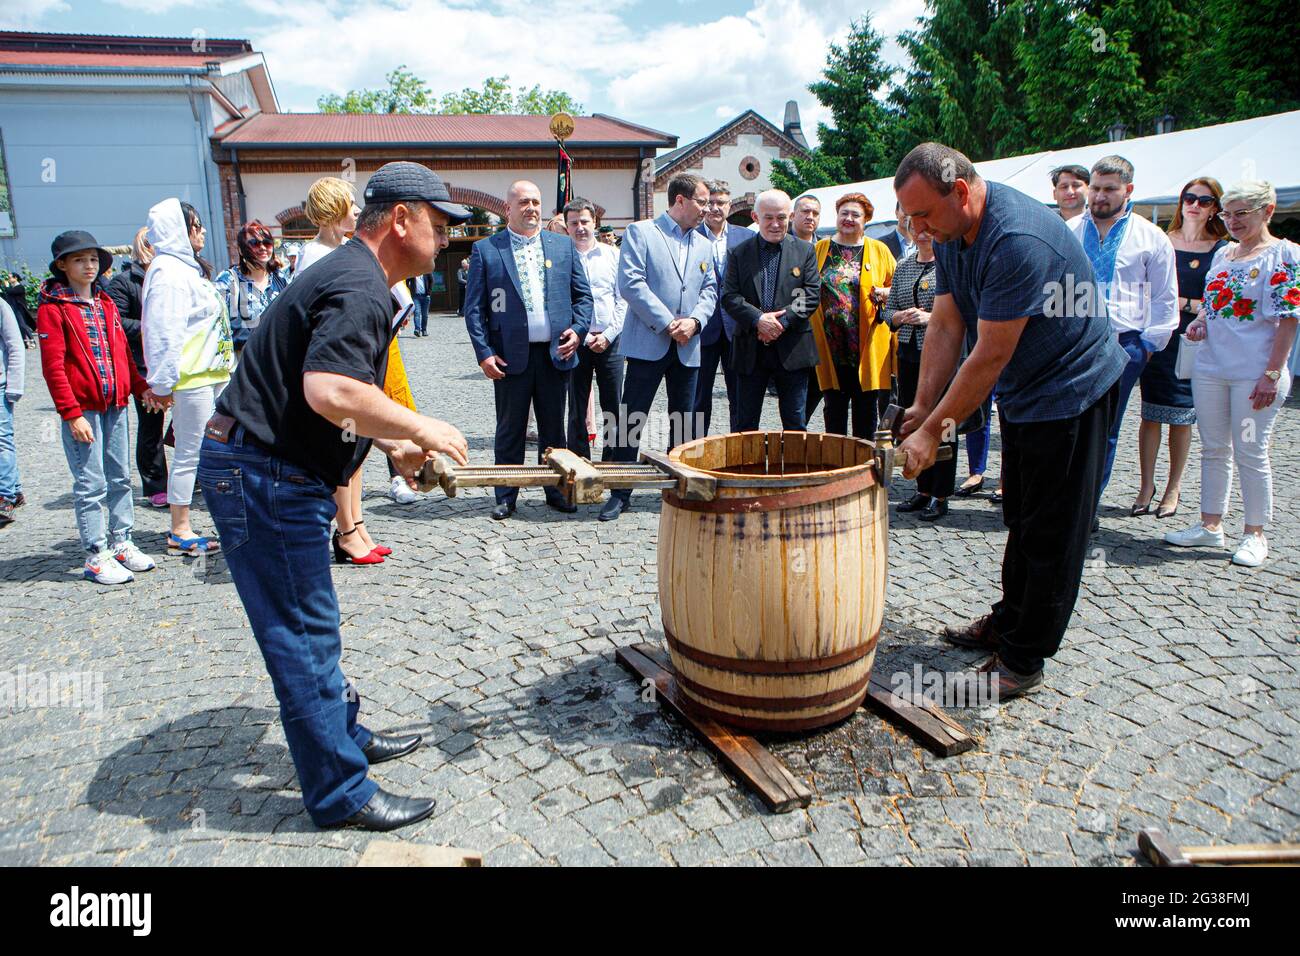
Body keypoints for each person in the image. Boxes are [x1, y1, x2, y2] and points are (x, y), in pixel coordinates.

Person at [200, 161, 471, 830]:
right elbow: (330, 391)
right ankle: (339, 793)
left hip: (269, 465)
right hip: (262, 473)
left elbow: (326, 398)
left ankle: (343, 734)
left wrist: (390, 445)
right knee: (300, 633)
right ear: (401, 220)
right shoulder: (359, 285)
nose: (443, 243)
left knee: (312, 623)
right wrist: (419, 425)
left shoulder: (355, 274)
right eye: (438, 227)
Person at [893, 142, 1127, 700]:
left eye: (924, 214)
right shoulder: (950, 234)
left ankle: (1023, 659)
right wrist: (924, 407)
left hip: (1072, 391)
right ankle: (1009, 620)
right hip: (1027, 391)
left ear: (962, 191)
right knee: (1020, 513)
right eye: (910, 217)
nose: (917, 228)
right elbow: (947, 324)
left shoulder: (1015, 238)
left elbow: (989, 355)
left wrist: (933, 433)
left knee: (1053, 529)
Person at [1165, 180, 1297, 568]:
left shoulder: (1284, 254)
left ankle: (1255, 533)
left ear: (1267, 211)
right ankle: (1210, 524)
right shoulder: (1225, 255)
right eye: (1228, 213)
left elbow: (1289, 320)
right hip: (1211, 366)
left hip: (1254, 371)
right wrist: (1201, 322)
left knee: (1250, 451)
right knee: (1214, 448)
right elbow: (1214, 303)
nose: (1233, 221)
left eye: (1242, 213)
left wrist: (1271, 374)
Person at [38, 231, 166, 583]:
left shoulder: (104, 302)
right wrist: (71, 413)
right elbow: (53, 367)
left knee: (119, 478)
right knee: (90, 483)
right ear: (62, 265)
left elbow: (123, 353)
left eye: (93, 259)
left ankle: (122, 541)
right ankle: (96, 552)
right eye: (79, 260)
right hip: (84, 410)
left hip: (115, 405)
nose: (89, 266)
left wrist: (141, 388)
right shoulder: (53, 309)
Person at [463, 179, 592, 520]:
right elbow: (474, 309)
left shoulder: (562, 247)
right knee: (510, 429)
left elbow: (583, 297)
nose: (531, 208)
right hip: (509, 357)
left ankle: (557, 490)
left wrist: (578, 332)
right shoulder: (487, 250)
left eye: (535, 202)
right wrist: (484, 353)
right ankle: (506, 494)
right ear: (509, 208)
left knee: (554, 431)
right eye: (523, 203)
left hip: (555, 355)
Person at [600, 173, 717, 522]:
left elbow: (710, 290)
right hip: (649, 341)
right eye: (702, 202)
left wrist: (695, 322)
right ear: (680, 201)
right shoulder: (642, 232)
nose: (707, 209)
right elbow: (631, 283)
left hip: (689, 345)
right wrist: (669, 323)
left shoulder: (705, 243)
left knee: (686, 419)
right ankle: (620, 491)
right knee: (629, 419)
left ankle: (679, 486)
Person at [1068, 155, 1178, 501]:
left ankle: (1088, 504)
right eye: (1095, 188)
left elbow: (1164, 297)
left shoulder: (1151, 238)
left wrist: (1147, 346)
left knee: (1106, 428)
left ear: (1128, 190)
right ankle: (1064, 499)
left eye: (1109, 189)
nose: (1099, 196)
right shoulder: (1068, 231)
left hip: (1123, 343)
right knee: (1066, 423)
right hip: (1072, 341)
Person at [142, 199, 234, 555]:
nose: (203, 232)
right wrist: (162, 385)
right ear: (181, 229)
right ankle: (179, 528)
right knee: (190, 453)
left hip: (213, 372)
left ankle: (212, 517)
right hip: (192, 376)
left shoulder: (187, 268)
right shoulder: (167, 272)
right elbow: (161, 331)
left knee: (215, 450)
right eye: (197, 226)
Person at [1137, 178, 1228, 519]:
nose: (1195, 205)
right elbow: (1146, 287)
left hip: (1192, 342)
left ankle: (1173, 488)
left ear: (1214, 208)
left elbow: (1217, 301)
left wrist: (1183, 303)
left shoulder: (1222, 249)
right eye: (1189, 198)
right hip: (1159, 336)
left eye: (1204, 201)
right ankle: (1146, 485)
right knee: (1150, 414)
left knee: (1181, 417)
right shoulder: (1162, 241)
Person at [723, 189, 821, 430]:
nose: (776, 224)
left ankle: (794, 468)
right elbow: (729, 295)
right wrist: (758, 320)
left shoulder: (805, 251)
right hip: (750, 349)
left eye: (781, 217)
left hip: (792, 349)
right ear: (755, 218)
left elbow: (809, 294)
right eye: (768, 218)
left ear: (789, 216)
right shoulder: (739, 252)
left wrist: (781, 322)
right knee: (744, 424)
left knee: (796, 423)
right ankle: (745, 469)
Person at [808, 192, 896, 438]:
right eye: (843, 213)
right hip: (830, 347)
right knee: (833, 410)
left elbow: (898, 287)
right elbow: (805, 287)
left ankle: (864, 469)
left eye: (855, 214)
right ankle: (836, 468)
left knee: (866, 412)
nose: (848, 218)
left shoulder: (879, 250)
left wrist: (885, 292)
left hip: (866, 348)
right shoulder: (821, 248)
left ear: (866, 219)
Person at [885, 215, 955, 521]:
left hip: (941, 353)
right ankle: (922, 488)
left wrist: (932, 319)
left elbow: (962, 309)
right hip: (909, 353)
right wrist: (900, 317)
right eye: (916, 227)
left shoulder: (949, 265)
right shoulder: (904, 265)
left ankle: (941, 494)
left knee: (944, 421)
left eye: (928, 227)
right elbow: (887, 314)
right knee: (915, 419)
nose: (923, 232)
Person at [105, 227, 169, 508]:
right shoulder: (123, 282)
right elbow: (116, 322)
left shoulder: (168, 277)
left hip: (174, 361)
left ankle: (188, 476)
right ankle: (156, 485)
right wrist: (150, 328)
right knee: (151, 425)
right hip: (143, 366)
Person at [564, 197, 625, 461]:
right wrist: (584, 335)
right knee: (577, 407)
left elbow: (623, 299)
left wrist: (609, 334)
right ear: (566, 226)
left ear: (594, 222)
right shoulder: (562, 258)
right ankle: (579, 462)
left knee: (614, 405)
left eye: (585, 221)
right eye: (574, 223)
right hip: (576, 341)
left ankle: (613, 462)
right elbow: (561, 302)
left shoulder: (613, 255)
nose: (580, 227)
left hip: (611, 341)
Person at [693, 180, 750, 434]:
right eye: (711, 202)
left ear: (730, 205)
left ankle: (738, 449)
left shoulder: (746, 236)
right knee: (698, 397)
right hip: (702, 328)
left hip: (737, 328)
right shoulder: (691, 236)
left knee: (739, 395)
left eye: (721, 203)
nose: (715, 208)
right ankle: (693, 451)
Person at [213, 221, 288, 355]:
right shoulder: (228, 280)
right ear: (241, 250)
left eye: (267, 242)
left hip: (279, 360)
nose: (263, 247)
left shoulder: (281, 279)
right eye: (254, 243)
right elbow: (219, 325)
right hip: (246, 364)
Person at [296, 177, 359, 274]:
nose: (358, 210)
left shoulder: (350, 245)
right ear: (331, 209)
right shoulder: (312, 253)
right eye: (351, 205)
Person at [0, 294, 23, 525]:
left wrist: (15, 386)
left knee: (2, 439)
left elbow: (15, 345)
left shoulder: (0, 305)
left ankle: (4, 496)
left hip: (0, 384)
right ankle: (14, 489)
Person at [406, 270, 431, 336]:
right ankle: (417, 329)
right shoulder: (412, 273)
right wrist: (410, 291)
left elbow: (431, 281)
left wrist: (429, 293)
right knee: (417, 312)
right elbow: (407, 281)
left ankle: (424, 330)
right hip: (416, 296)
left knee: (425, 315)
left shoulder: (426, 271)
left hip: (426, 296)